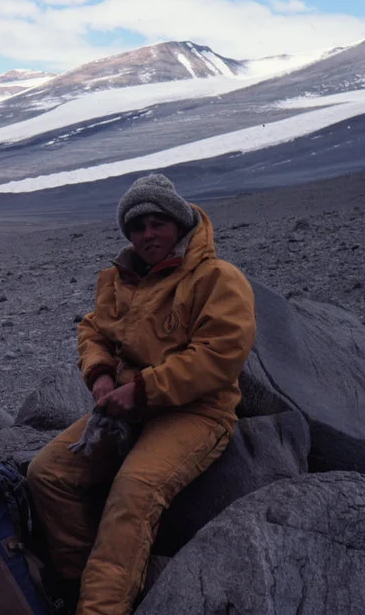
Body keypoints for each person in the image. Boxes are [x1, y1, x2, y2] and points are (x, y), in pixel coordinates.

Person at [26, 173, 257, 615]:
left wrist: (143, 390)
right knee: (46, 473)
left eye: (157, 223)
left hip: (197, 411)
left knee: (134, 490)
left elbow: (220, 354)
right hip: (128, 407)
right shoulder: (120, 278)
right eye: (137, 227)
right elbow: (93, 329)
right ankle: (80, 584)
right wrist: (100, 377)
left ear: (179, 222)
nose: (147, 234)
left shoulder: (216, 278)